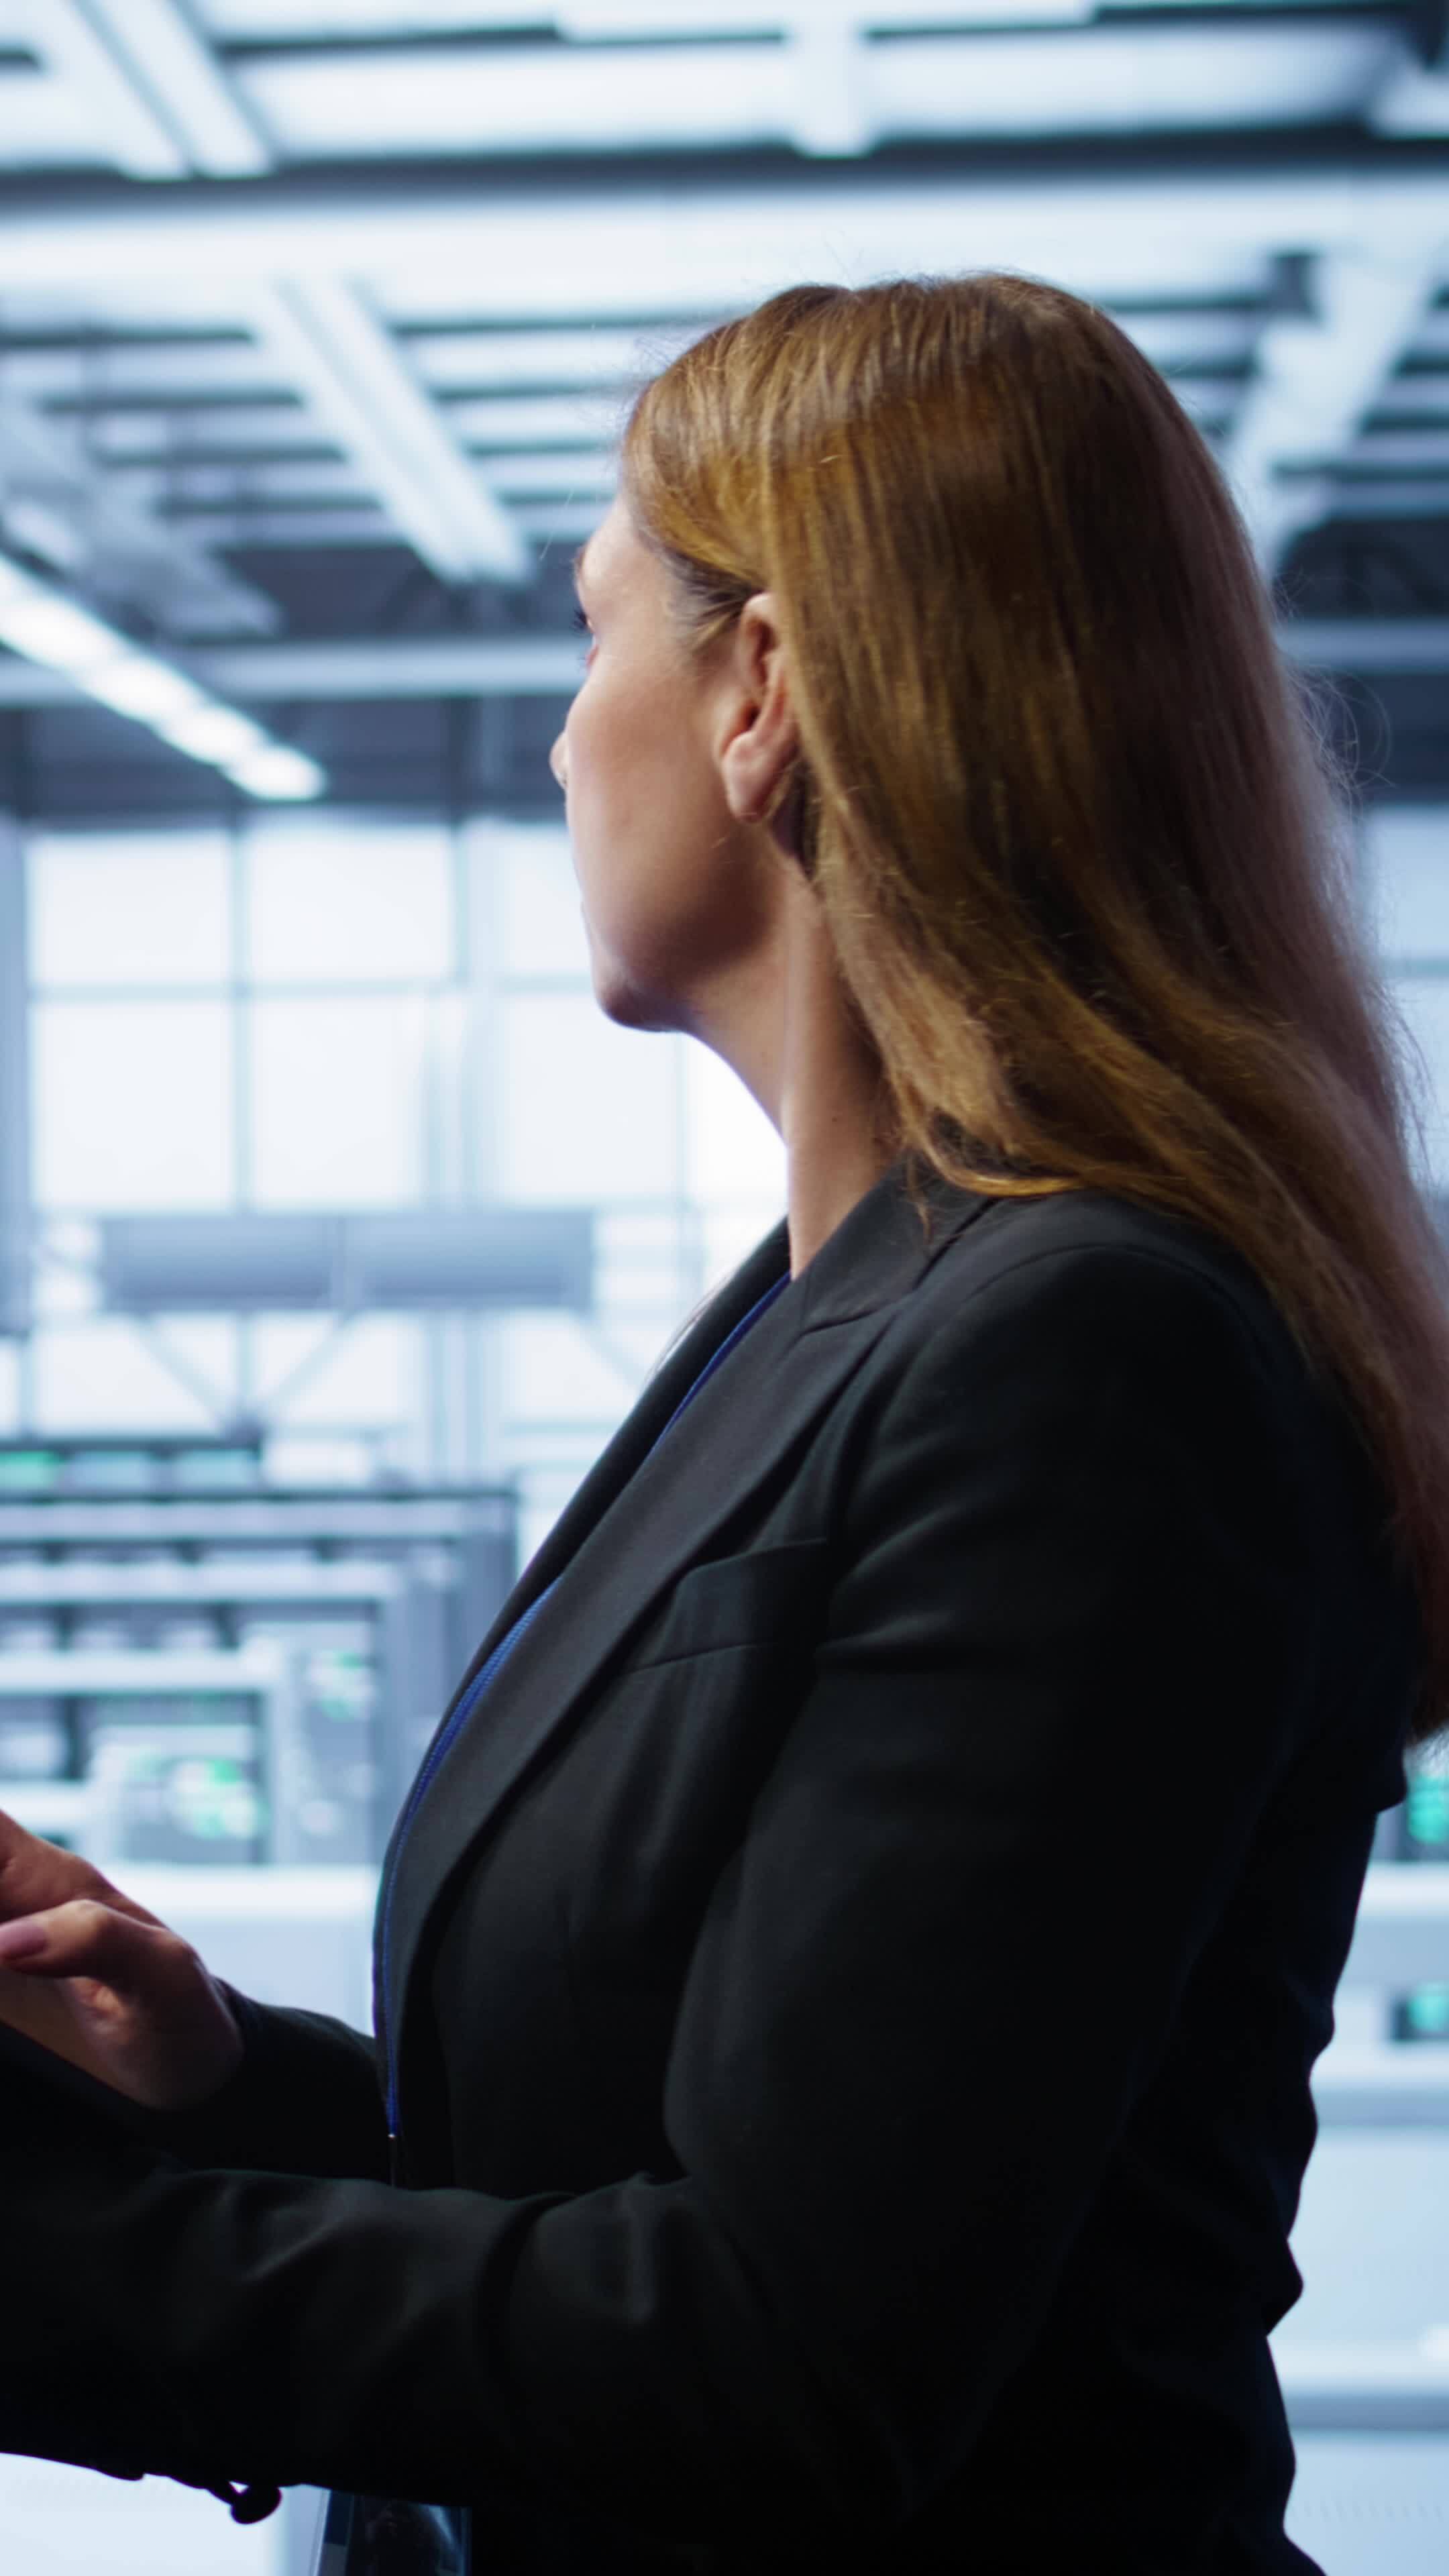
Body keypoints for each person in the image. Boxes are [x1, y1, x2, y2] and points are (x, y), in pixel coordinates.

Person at [0, 269, 1446, 2576]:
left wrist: (47, 2263)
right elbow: (720, 2146)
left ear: (763, 690)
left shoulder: (1093, 1356)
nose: (563, 742)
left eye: (595, 638)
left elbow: (780, 2362)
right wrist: (211, 2085)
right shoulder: (836, 1307)